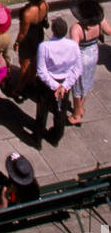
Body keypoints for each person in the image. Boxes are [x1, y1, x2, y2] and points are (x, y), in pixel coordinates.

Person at [34, 16, 83, 145]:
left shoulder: (44, 46)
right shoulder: (73, 45)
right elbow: (78, 69)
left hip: (48, 83)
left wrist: (56, 86)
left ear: (53, 31)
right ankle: (56, 137)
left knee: (42, 111)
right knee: (60, 110)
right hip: (64, 82)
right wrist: (64, 86)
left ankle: (37, 138)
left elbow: (41, 71)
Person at [68, 0, 111, 126]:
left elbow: (74, 48)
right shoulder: (99, 22)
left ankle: (76, 114)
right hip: (93, 54)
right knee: (87, 82)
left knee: (76, 87)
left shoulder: (77, 28)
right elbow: (109, 31)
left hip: (81, 57)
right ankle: (81, 107)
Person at [13, 0, 49, 101]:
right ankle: (32, 81)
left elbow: (23, 32)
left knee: (24, 65)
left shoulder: (27, 13)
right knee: (34, 60)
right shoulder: (45, 5)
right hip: (39, 35)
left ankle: (19, 89)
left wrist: (17, 42)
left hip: (28, 40)